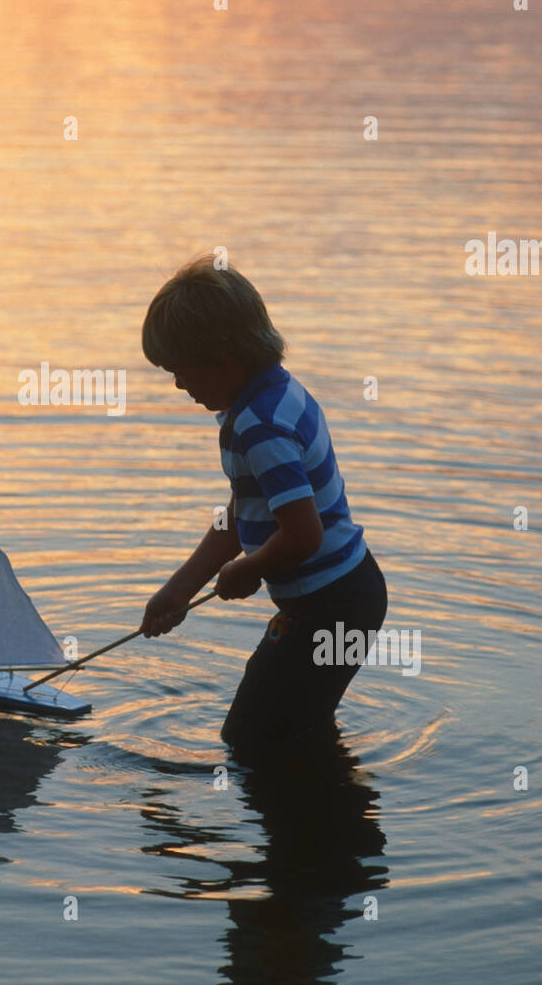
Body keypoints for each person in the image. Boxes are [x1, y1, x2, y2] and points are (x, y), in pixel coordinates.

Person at [139, 256, 387, 758]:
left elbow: (302, 536)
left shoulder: (261, 428)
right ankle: (322, 816)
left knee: (251, 739)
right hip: (345, 599)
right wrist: (180, 588)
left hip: (333, 609)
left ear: (223, 360)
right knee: (287, 728)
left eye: (182, 371)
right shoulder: (270, 398)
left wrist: (247, 569)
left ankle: (311, 827)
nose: (179, 385)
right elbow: (243, 513)